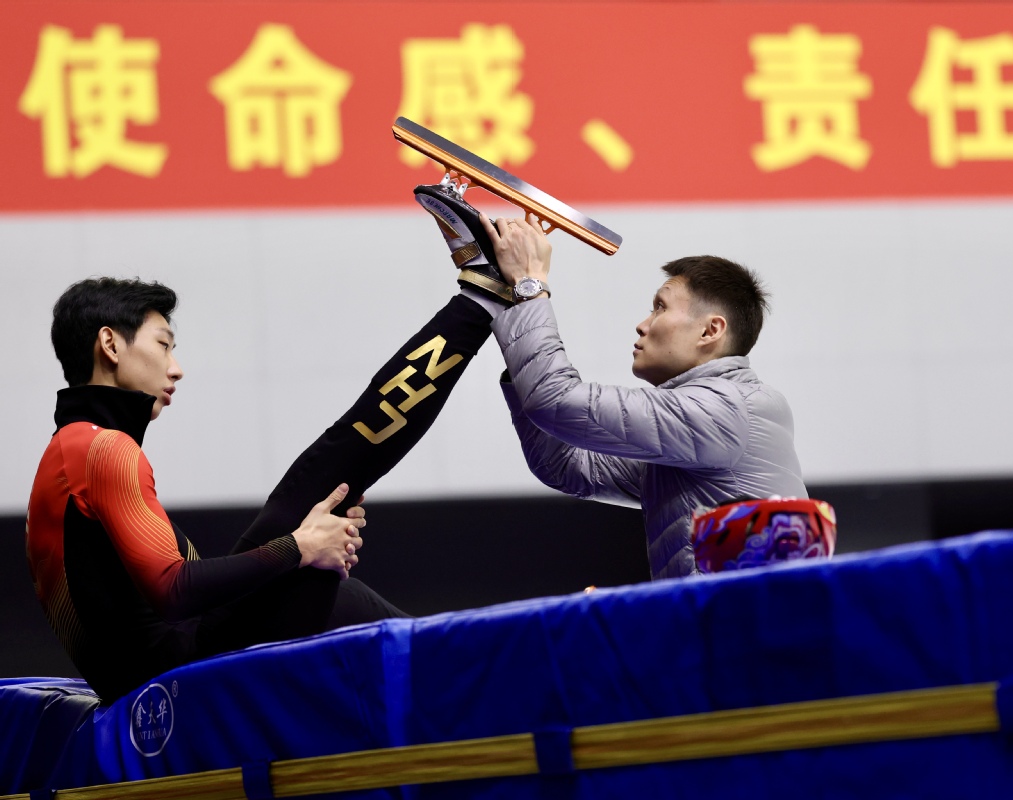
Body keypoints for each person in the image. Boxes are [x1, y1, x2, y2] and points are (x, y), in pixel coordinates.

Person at [27, 215, 496, 702]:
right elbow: (175, 590)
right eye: (163, 345)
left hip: (155, 667)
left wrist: (304, 550)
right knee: (332, 466)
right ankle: (481, 298)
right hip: (170, 676)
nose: (176, 368)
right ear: (110, 344)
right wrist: (299, 545)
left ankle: (471, 669)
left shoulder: (67, 451)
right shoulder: (103, 449)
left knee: (323, 521)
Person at [413, 182, 808, 579]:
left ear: (710, 331)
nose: (642, 324)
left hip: (743, 638)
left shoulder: (725, 410)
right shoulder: (701, 428)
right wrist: (507, 294)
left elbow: (555, 400)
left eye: (660, 308)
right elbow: (567, 464)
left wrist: (531, 285)